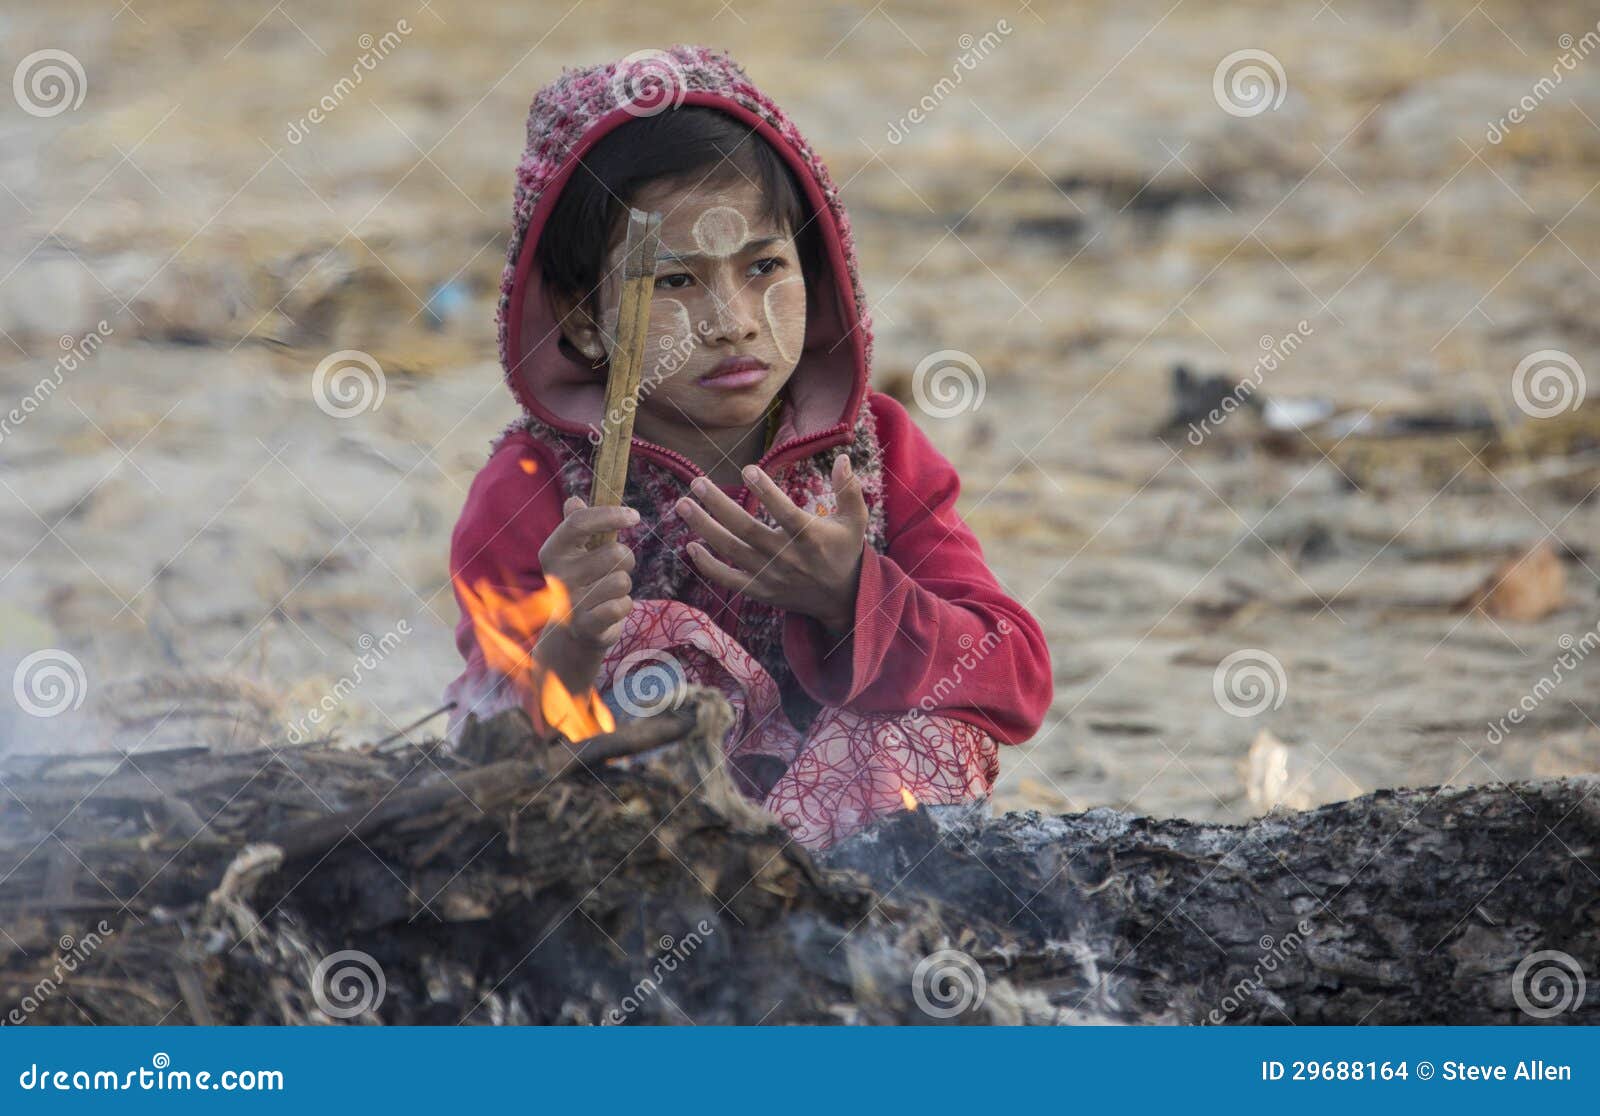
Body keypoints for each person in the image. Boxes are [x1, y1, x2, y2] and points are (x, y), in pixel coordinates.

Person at [446, 45, 1052, 848]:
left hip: (845, 875)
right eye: (673, 281)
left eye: (764, 265)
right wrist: (571, 639)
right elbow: (482, 749)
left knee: (919, 723)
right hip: (641, 858)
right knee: (645, 639)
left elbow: (1016, 682)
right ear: (582, 315)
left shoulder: (877, 456)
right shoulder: (534, 487)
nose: (733, 319)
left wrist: (850, 596)